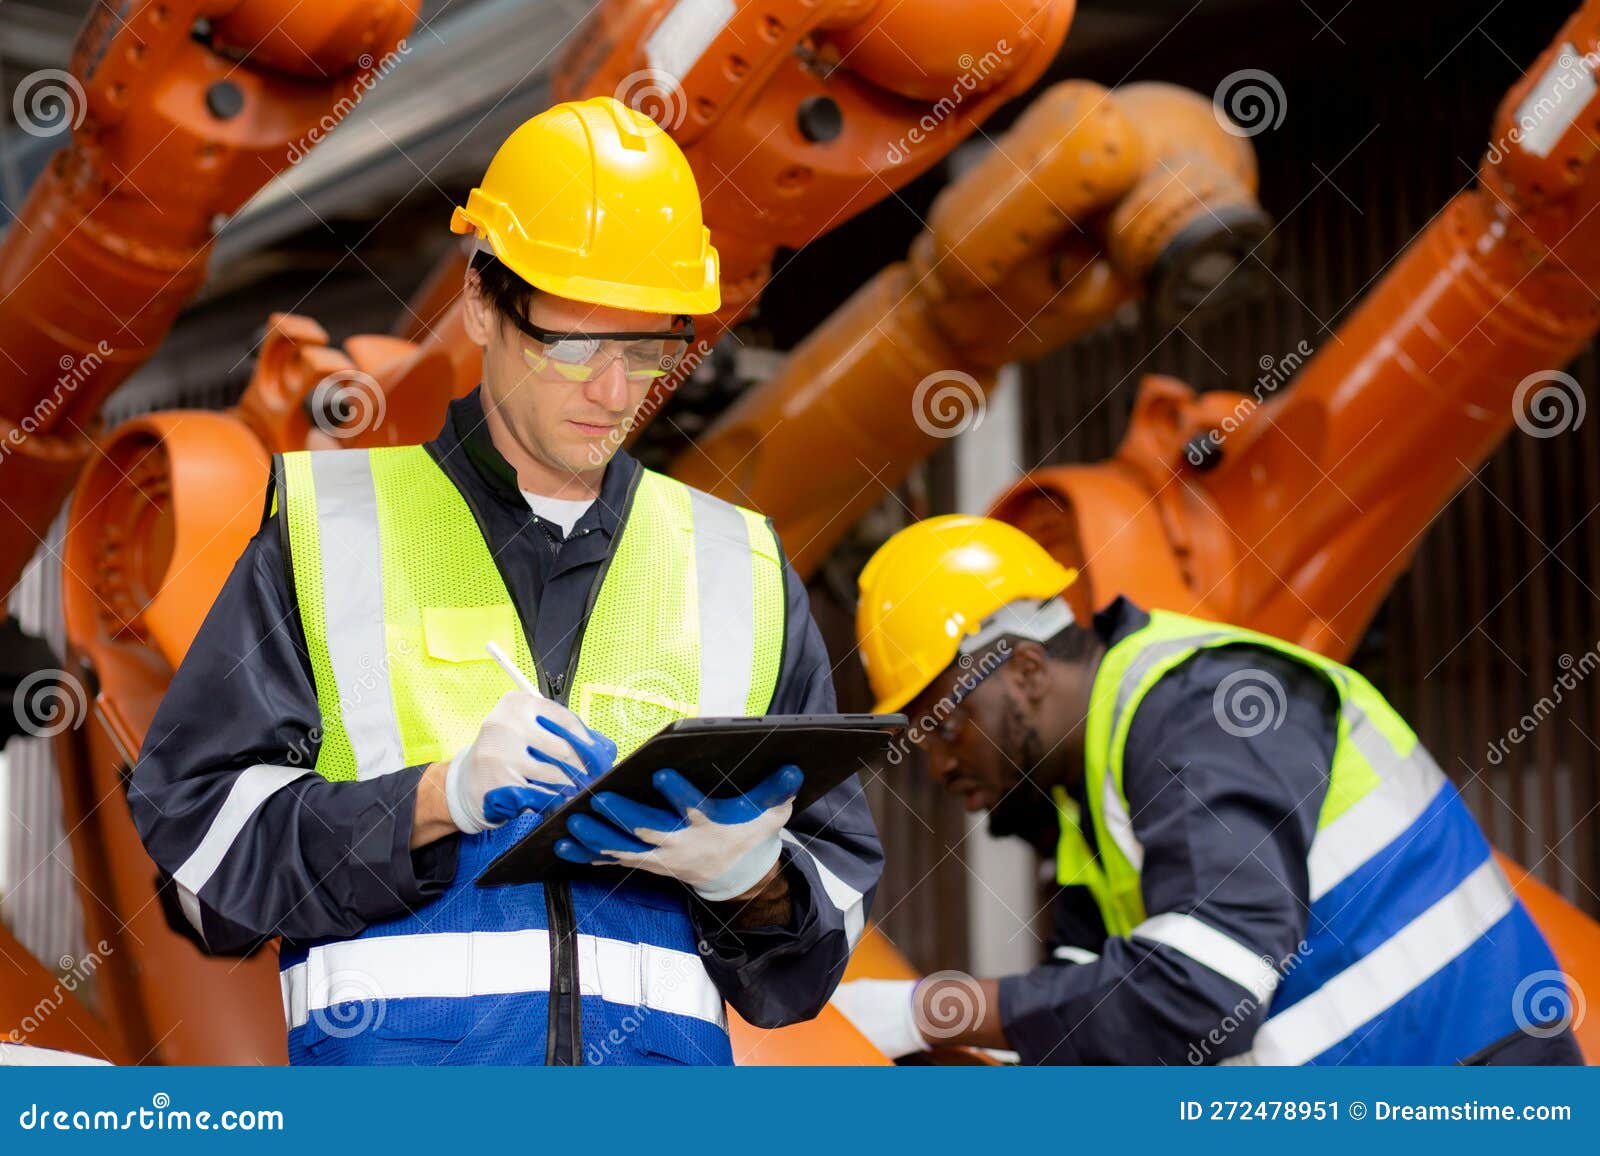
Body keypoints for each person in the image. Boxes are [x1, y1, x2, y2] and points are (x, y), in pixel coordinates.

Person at [130, 96, 881, 1066]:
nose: (613, 392)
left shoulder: (739, 565)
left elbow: (816, 950)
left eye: (648, 347)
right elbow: (201, 876)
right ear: (482, 303)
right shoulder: (328, 532)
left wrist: (753, 880)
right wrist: (432, 800)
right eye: (572, 342)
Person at [830, 514, 1581, 1065]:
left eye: (944, 726)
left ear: (1024, 672)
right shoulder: (1088, 801)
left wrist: (928, 1011)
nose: (937, 765)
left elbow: (1201, 992)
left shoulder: (1204, 707)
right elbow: (1095, 1011)